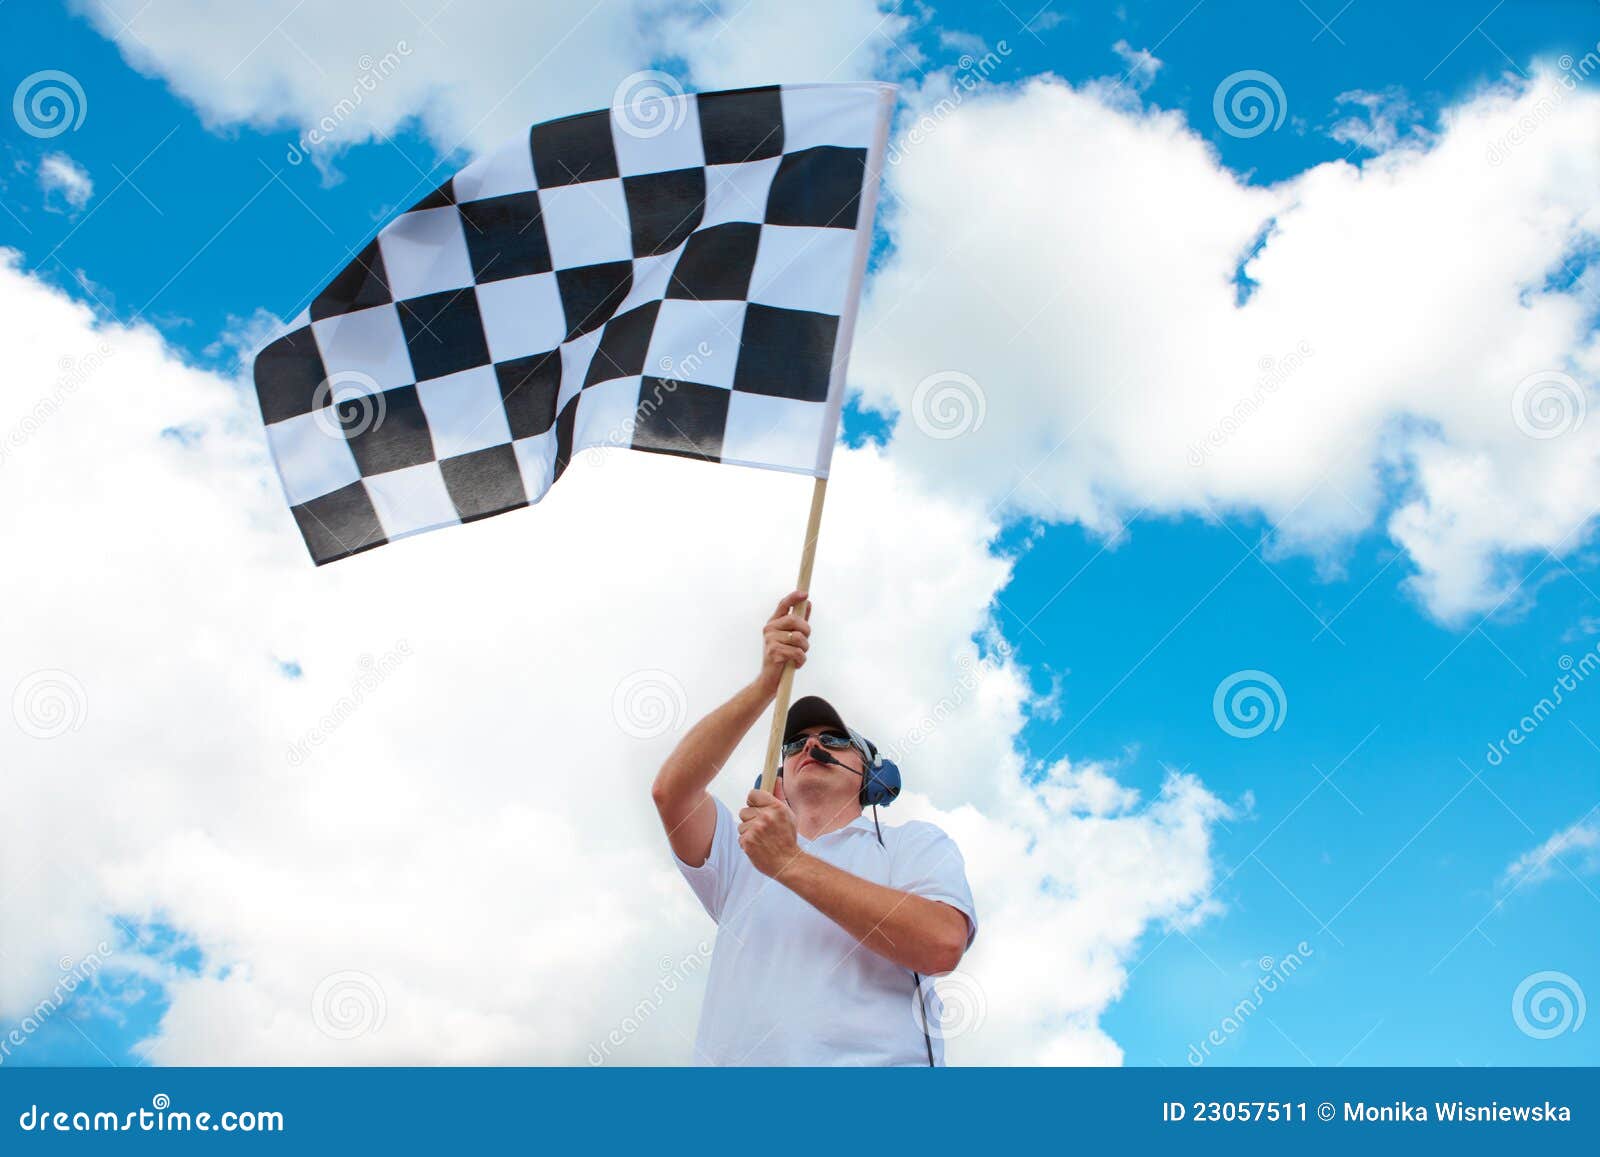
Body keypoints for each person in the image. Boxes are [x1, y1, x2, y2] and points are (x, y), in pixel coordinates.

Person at [651, 590, 978, 1065]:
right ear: (776, 780)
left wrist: (789, 863)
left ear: (872, 778)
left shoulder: (913, 845)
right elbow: (672, 791)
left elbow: (941, 943)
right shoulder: (742, 847)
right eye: (796, 742)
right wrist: (767, 683)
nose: (812, 746)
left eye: (834, 739)